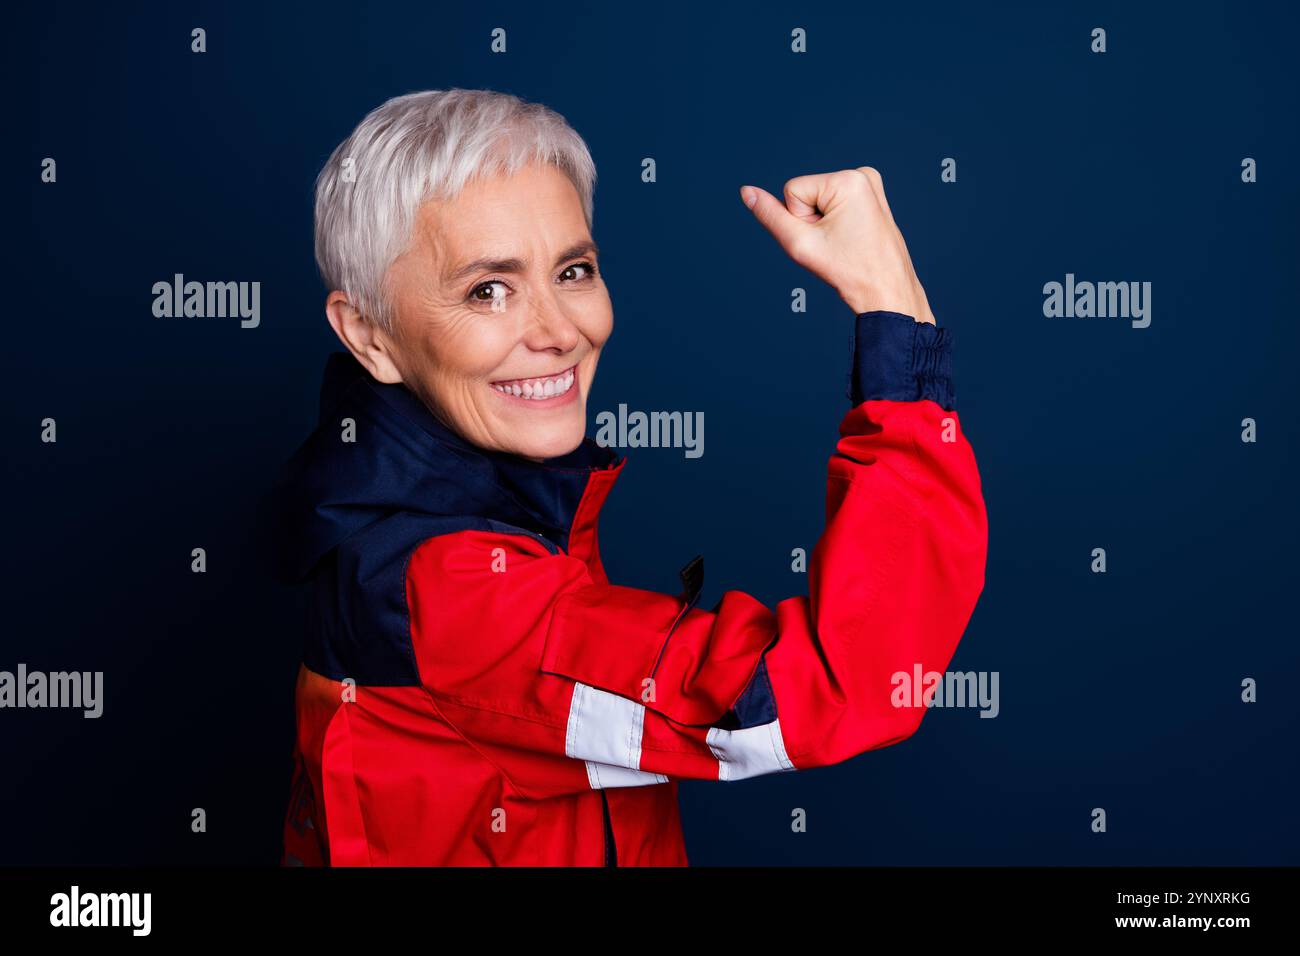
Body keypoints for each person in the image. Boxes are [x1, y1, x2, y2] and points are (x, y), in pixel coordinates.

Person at [274, 88, 987, 866]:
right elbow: (835, 686)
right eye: (488, 290)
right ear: (369, 336)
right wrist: (893, 306)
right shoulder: (454, 588)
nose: (558, 331)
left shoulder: (441, 504)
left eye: (573, 271)